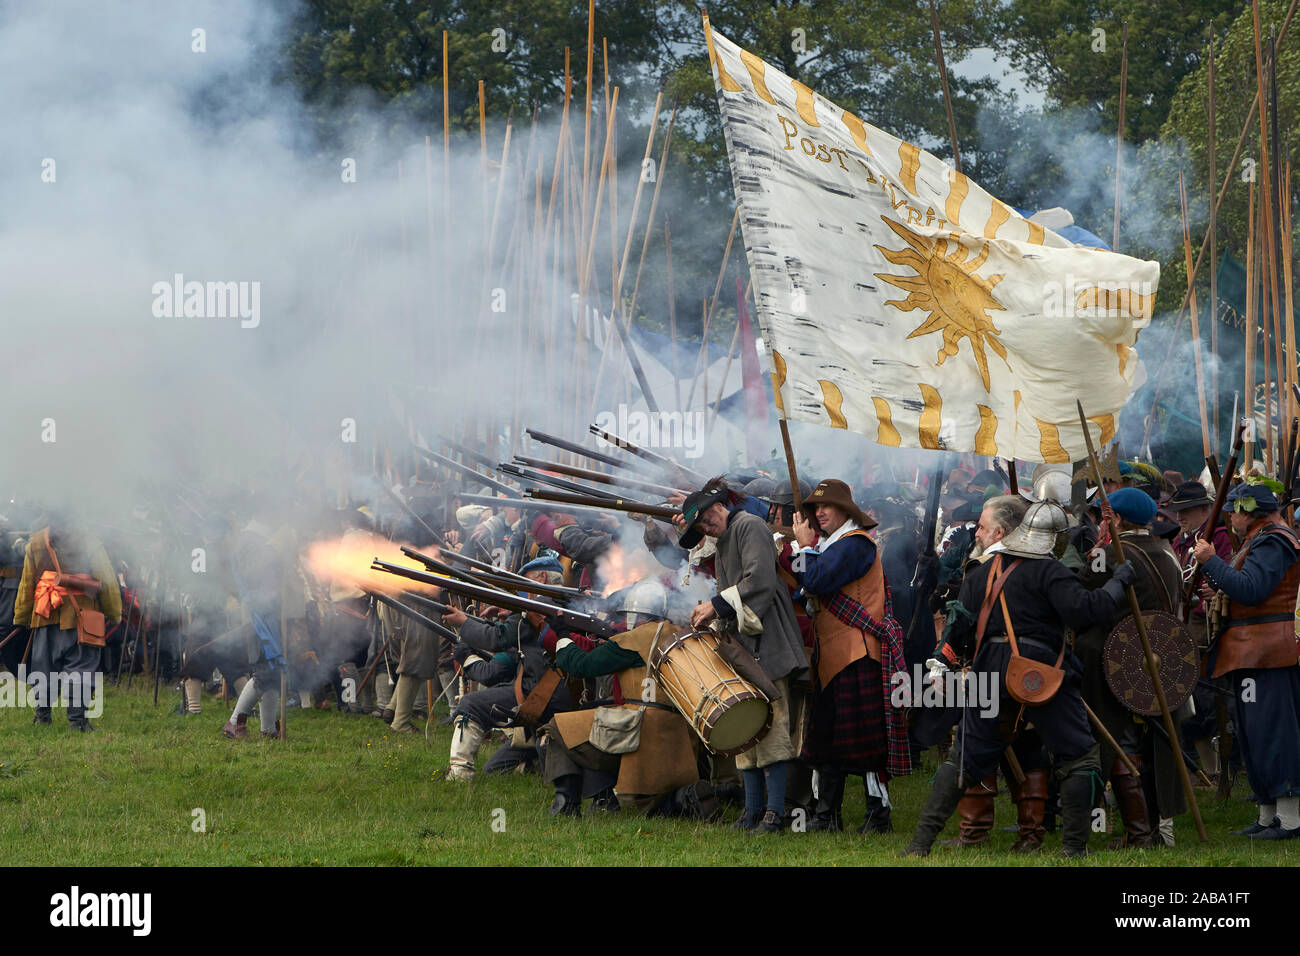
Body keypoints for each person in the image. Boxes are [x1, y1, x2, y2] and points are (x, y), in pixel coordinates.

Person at [904, 497, 1135, 857]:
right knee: (1079, 757)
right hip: (1038, 671)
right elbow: (1087, 611)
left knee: (962, 759)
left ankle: (919, 846)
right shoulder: (1050, 571)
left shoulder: (982, 570)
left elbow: (957, 626)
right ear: (1057, 539)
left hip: (988, 670)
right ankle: (1074, 849)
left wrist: (941, 665)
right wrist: (1119, 581)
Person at [681, 478, 808, 834]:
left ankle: (775, 814)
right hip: (745, 643)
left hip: (767, 641)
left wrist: (716, 605)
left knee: (773, 727)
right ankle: (753, 811)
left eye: (707, 519)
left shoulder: (749, 525)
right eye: (701, 525)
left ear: (719, 506)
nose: (707, 526)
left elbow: (761, 580)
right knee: (747, 730)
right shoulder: (723, 540)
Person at [788, 479, 910, 834]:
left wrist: (803, 545)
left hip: (858, 654)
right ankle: (827, 816)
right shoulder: (833, 546)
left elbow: (815, 580)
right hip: (834, 658)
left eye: (827, 507)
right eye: (815, 509)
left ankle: (878, 817)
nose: (819, 513)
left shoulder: (854, 544)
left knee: (865, 742)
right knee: (827, 739)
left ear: (846, 510)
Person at [1076, 487, 1187, 848]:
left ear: (1116, 519)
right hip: (1163, 660)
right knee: (1160, 742)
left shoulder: (1108, 555)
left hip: (1120, 662)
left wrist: (1090, 552)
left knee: (1111, 741)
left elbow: (1082, 599)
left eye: (1103, 517)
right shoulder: (1168, 552)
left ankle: (1112, 825)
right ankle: (1160, 826)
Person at [1193, 480, 1300, 839]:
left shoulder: (1273, 541)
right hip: (1252, 650)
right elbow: (1244, 586)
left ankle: (1290, 819)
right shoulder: (1262, 538)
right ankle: (1268, 815)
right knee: (1255, 734)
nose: (1230, 518)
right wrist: (1220, 579)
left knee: (1272, 733)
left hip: (1266, 650)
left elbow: (1252, 591)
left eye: (1234, 510)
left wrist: (1211, 562)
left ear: (1248, 510)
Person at [13, 519, 121, 731]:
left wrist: (22, 616)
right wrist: (113, 612)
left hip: (44, 614)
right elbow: (106, 581)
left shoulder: (36, 541)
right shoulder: (89, 540)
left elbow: (27, 583)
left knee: (44, 667)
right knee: (81, 666)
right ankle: (77, 721)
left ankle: (42, 716)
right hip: (80, 615)